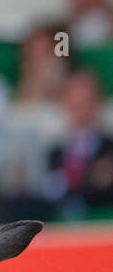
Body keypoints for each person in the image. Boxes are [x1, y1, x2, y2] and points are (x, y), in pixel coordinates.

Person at [44, 69, 113, 212]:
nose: (81, 110)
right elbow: (50, 192)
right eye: (75, 104)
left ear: (97, 103)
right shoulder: (55, 150)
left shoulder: (109, 149)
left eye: (86, 103)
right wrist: (90, 176)